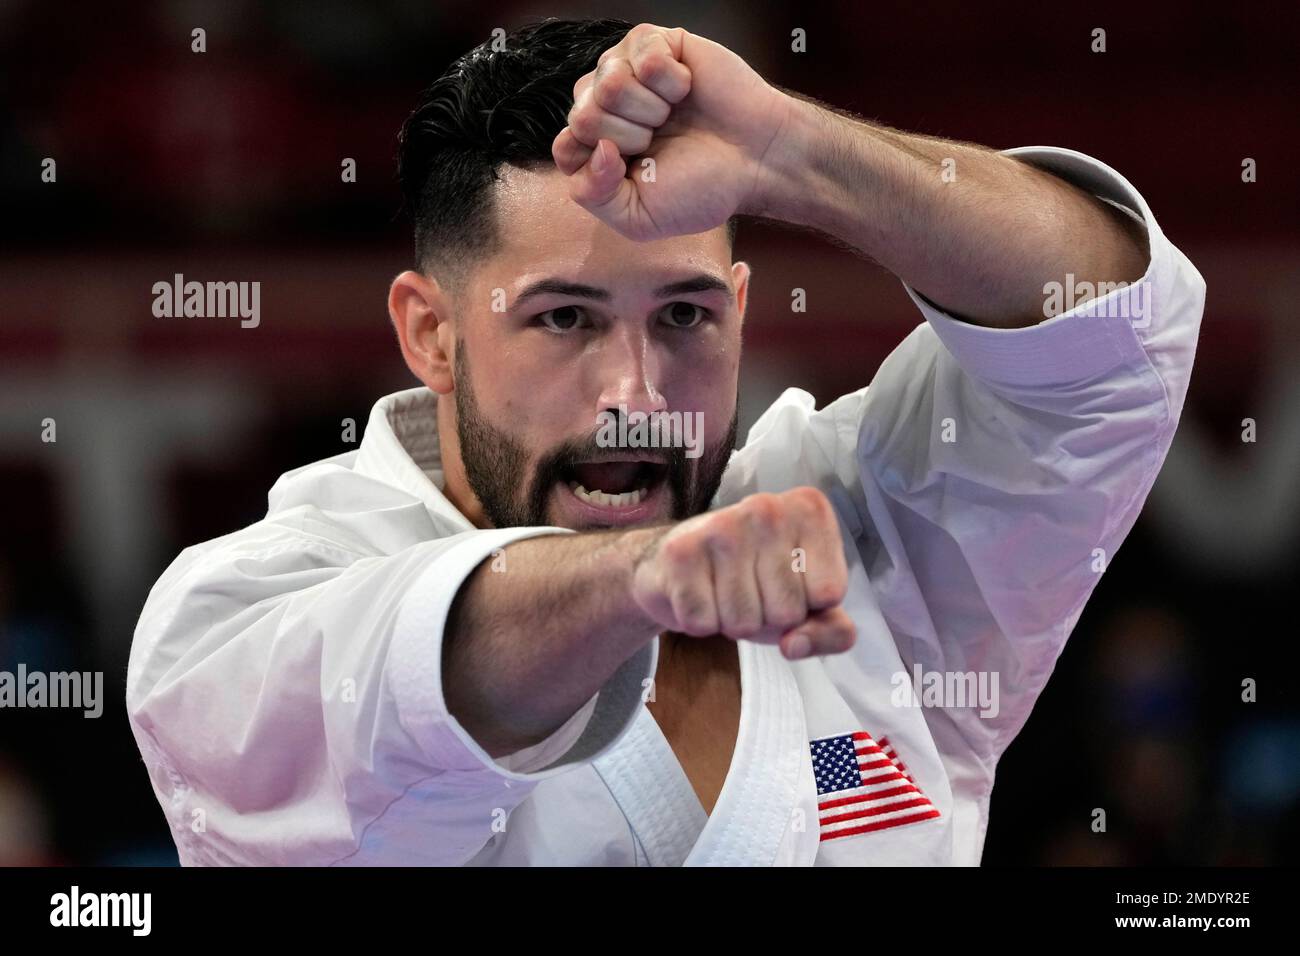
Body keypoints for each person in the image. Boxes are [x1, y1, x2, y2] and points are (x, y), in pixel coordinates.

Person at [125, 17, 1204, 865]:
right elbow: (391, 674)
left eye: (684, 315)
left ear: (739, 305)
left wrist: (793, 152)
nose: (634, 394)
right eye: (564, 318)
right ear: (429, 332)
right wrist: (645, 580)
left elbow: (1115, 332)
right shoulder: (235, 617)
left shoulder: (865, 537)